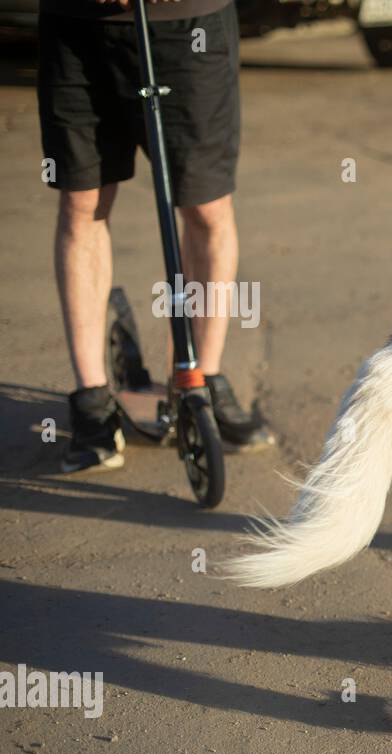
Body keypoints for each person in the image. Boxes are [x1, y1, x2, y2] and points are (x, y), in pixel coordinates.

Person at [39, 0, 271, 473]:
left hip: (188, 23)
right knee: (82, 202)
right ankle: (92, 404)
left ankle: (201, 378)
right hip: (77, 24)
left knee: (206, 207)